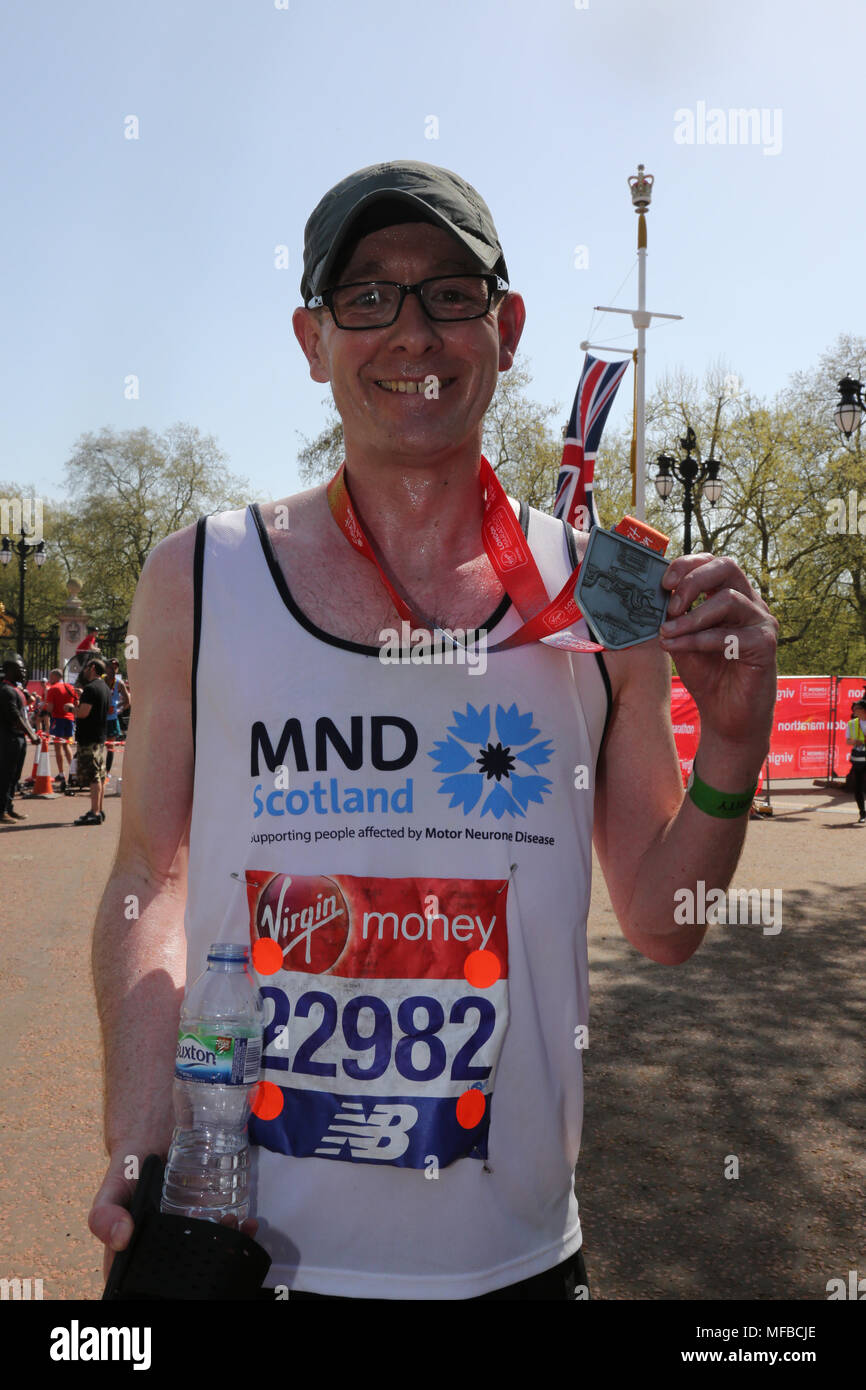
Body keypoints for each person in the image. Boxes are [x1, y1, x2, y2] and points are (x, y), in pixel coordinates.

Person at [88, 161, 778, 1300]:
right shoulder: (199, 573)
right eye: (365, 297)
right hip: (232, 1246)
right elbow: (146, 876)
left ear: (504, 328)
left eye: (449, 292)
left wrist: (733, 750)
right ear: (313, 340)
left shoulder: (604, 595)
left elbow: (661, 922)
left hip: (507, 1264)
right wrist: (137, 1117)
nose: (411, 331)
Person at [0, 656, 39, 823]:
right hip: (7, 739)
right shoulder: (5, 691)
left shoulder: (16, 689)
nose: (23, 672)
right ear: (9, 670)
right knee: (5, 776)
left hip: (18, 739)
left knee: (14, 776)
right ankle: (1, 811)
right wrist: (32, 734)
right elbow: (15, 717)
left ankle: (9, 807)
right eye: (20, 669)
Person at [74, 657, 109, 826]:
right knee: (100, 775)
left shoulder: (90, 688)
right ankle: (98, 810)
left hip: (89, 738)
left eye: (87, 667)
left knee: (94, 777)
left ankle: (94, 813)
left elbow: (83, 713)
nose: (84, 670)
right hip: (99, 737)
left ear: (93, 668)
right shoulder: (104, 687)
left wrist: (70, 709)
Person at [41, 668, 78, 788]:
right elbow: (76, 704)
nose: (50, 679)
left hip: (58, 719)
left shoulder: (53, 689)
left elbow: (50, 708)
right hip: (70, 718)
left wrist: (43, 706)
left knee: (58, 747)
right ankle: (73, 773)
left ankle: (61, 773)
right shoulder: (70, 687)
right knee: (67, 745)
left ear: (56, 677)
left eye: (51, 677)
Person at [845, 699, 866, 825]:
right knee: (857, 787)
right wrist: (855, 742)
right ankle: (862, 812)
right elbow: (848, 741)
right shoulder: (852, 723)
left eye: (857, 708)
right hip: (858, 759)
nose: (854, 710)